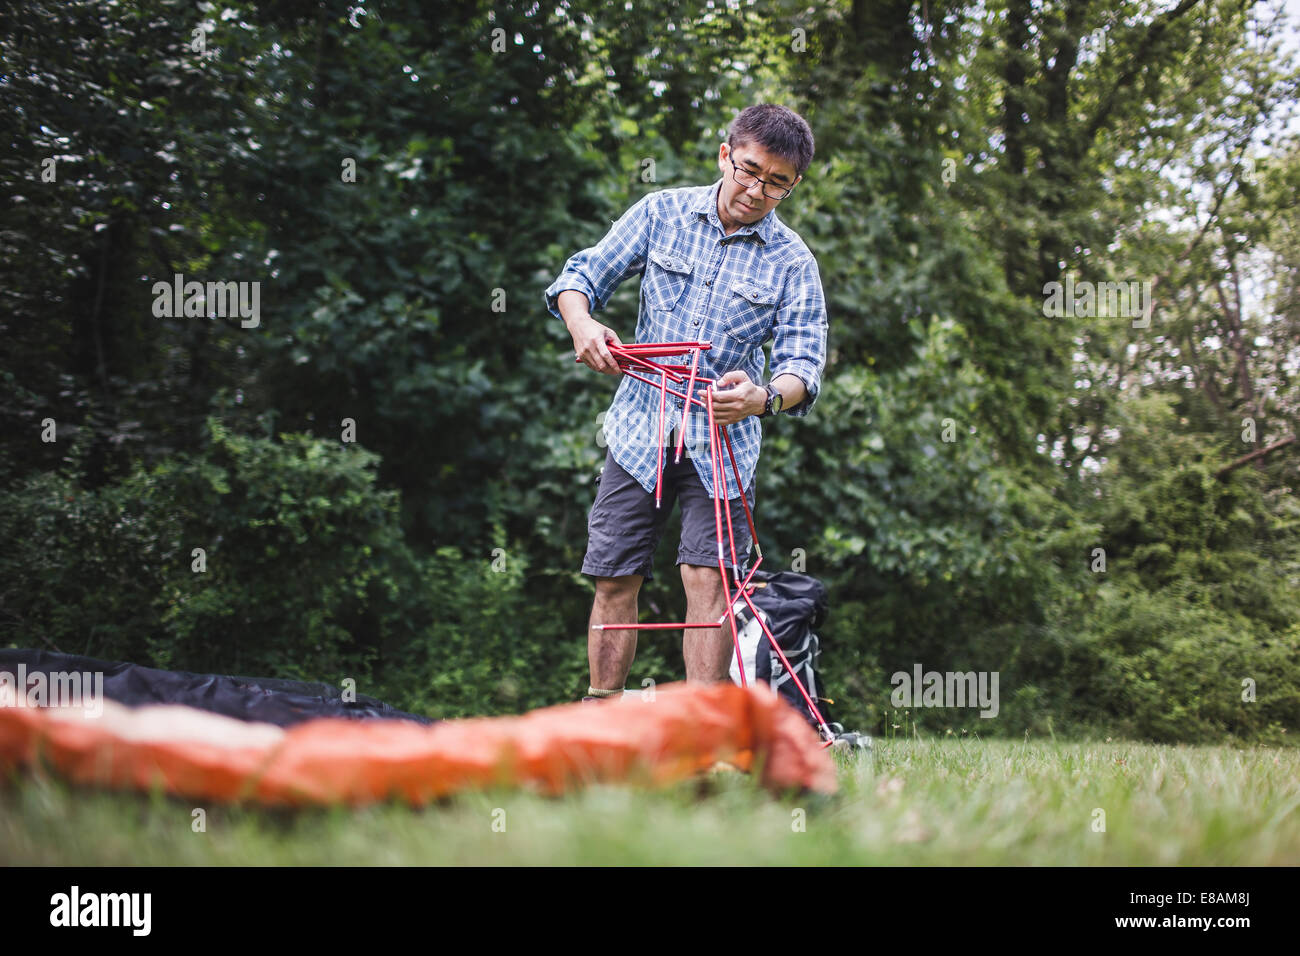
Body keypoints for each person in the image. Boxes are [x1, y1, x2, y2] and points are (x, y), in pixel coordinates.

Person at [543, 104, 828, 701]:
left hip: (722, 444)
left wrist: (762, 399)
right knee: (614, 575)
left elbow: (804, 367)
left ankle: (706, 734)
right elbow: (579, 277)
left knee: (708, 579)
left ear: (794, 183)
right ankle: (603, 716)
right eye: (749, 170)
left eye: (777, 182)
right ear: (725, 155)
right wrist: (583, 326)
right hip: (639, 431)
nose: (757, 190)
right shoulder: (661, 211)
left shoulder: (793, 261)